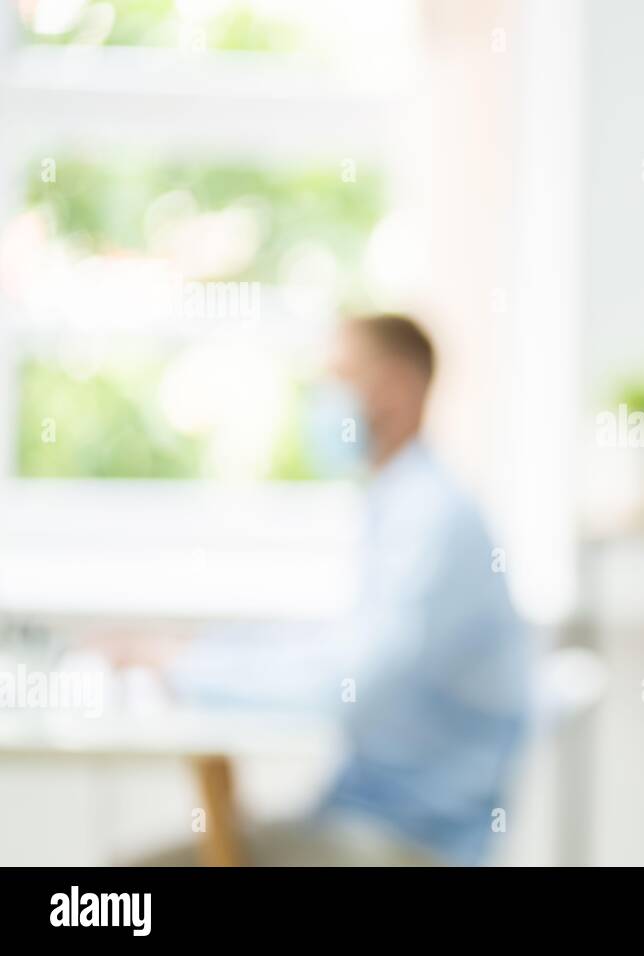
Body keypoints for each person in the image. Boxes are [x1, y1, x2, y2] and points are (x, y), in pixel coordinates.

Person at [145, 314, 531, 866]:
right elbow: (337, 649)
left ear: (394, 387)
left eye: (336, 378)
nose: (321, 402)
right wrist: (203, 652)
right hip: (364, 811)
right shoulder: (401, 503)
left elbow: (344, 686)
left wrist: (188, 667)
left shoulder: (434, 520)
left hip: (409, 838)